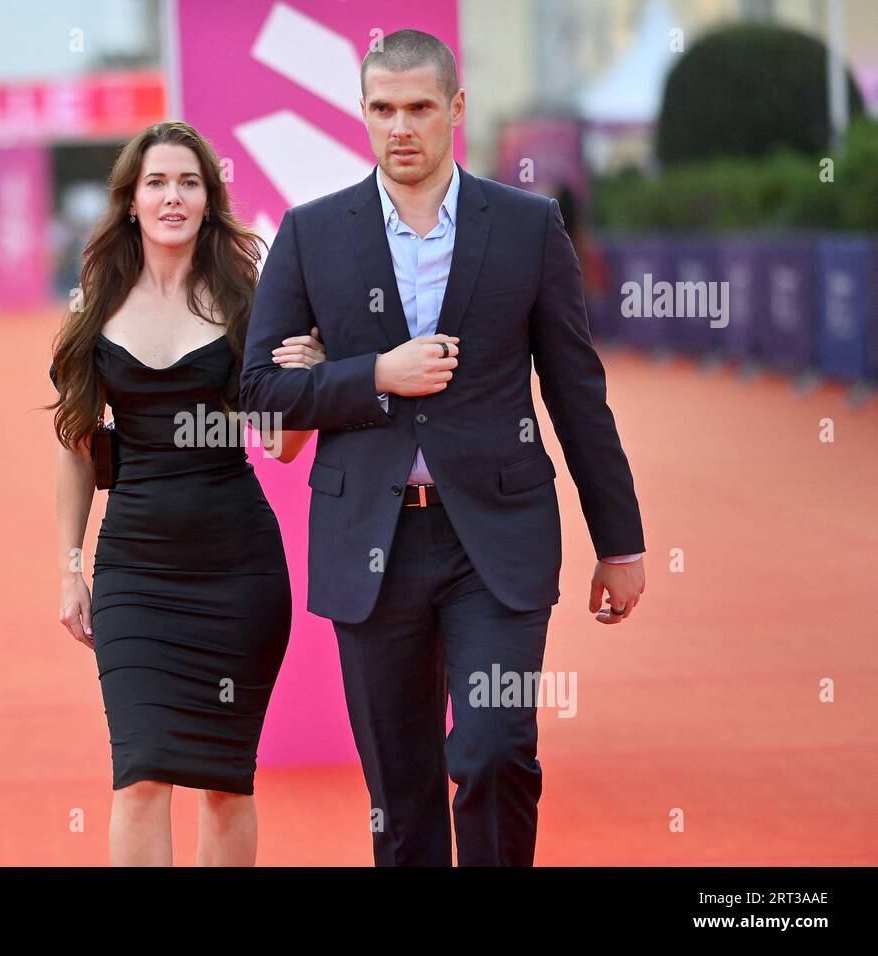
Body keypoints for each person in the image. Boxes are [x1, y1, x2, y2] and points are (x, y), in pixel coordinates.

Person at [239, 29, 647, 866]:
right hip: (370, 543)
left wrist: (621, 542)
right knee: (403, 788)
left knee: (495, 750)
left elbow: (576, 391)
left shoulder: (529, 226)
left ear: (456, 109)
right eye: (383, 108)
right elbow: (259, 392)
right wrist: (372, 374)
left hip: (495, 539)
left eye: (420, 107)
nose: (401, 127)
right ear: (362, 112)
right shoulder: (313, 235)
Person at [47, 120, 325, 866]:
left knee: (227, 783)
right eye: (158, 183)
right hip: (135, 573)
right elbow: (76, 447)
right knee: (138, 780)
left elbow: (283, 443)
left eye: (189, 183)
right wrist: (71, 565)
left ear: (210, 200)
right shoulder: (93, 308)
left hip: (239, 572)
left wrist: (306, 385)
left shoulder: (249, 306)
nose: (174, 196)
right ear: (131, 202)